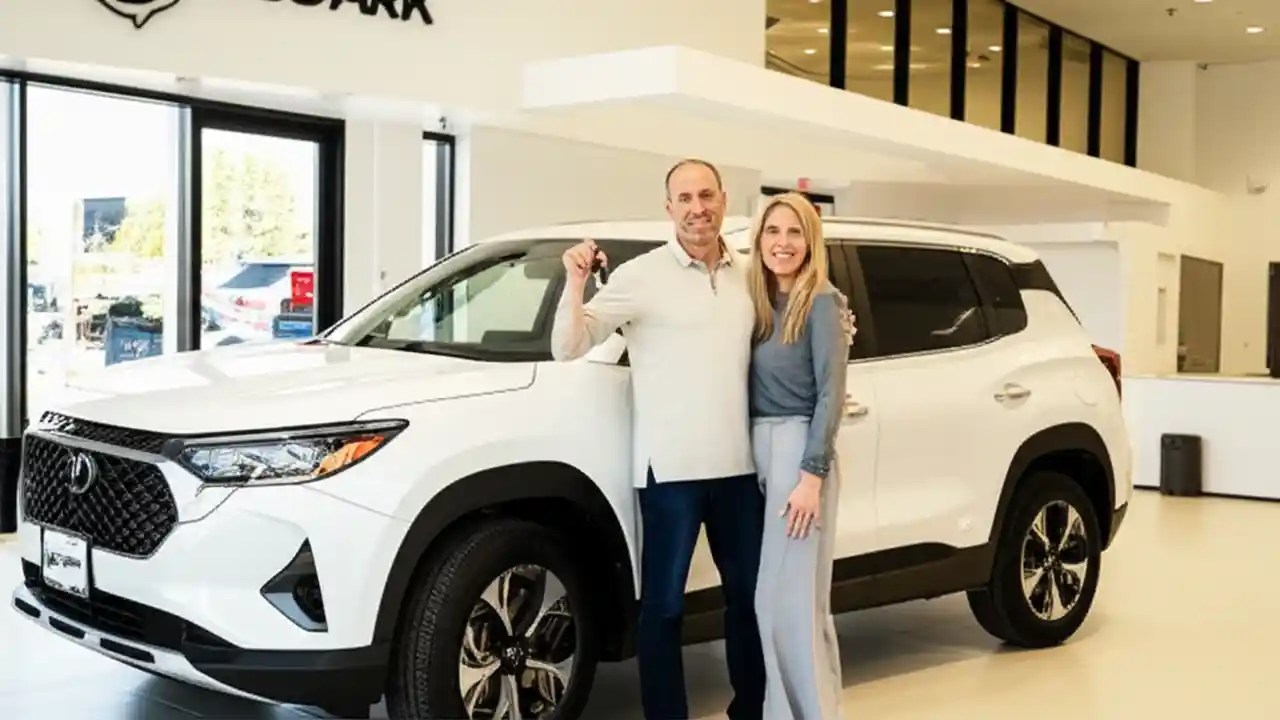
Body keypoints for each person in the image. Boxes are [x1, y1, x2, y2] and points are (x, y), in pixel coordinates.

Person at [550, 158, 768, 720]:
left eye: (706, 195)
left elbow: (791, 331)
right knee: (664, 609)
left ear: (723, 198)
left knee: (748, 601)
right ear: (668, 207)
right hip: (668, 473)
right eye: (684, 198)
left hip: (740, 470)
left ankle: (750, 710)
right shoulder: (641, 275)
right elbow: (569, 346)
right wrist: (574, 281)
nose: (698, 208)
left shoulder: (751, 273)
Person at [745, 192, 847, 720]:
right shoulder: (759, 300)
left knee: (783, 605)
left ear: (811, 242)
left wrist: (812, 474)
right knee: (791, 605)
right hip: (759, 452)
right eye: (772, 232)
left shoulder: (824, 302)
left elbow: (832, 392)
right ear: (758, 239)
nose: (782, 243)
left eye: (794, 232)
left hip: (797, 455)